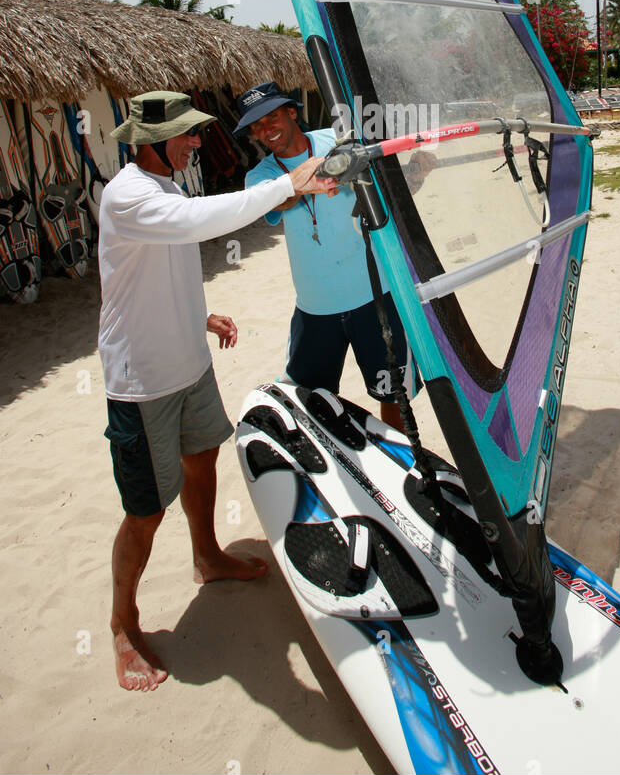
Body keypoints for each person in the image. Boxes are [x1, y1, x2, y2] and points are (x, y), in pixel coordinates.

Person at [98, 90, 334, 692]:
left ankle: (206, 556)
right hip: (142, 382)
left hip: (190, 364)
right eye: (185, 134)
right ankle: (123, 624)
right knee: (145, 510)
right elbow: (205, 222)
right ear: (149, 142)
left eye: (195, 133)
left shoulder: (169, 188)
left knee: (203, 463)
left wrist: (199, 315)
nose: (196, 142)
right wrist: (289, 186)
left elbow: (166, 260)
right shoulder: (126, 195)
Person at [236, 82, 429, 429]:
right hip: (315, 310)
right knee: (308, 407)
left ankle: (406, 465)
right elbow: (273, 201)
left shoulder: (339, 140)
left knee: (395, 398)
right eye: (257, 126)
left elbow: (387, 194)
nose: (266, 130)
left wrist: (417, 173)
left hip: (375, 296)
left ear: (291, 112)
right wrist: (315, 177)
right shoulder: (262, 175)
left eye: (272, 117)